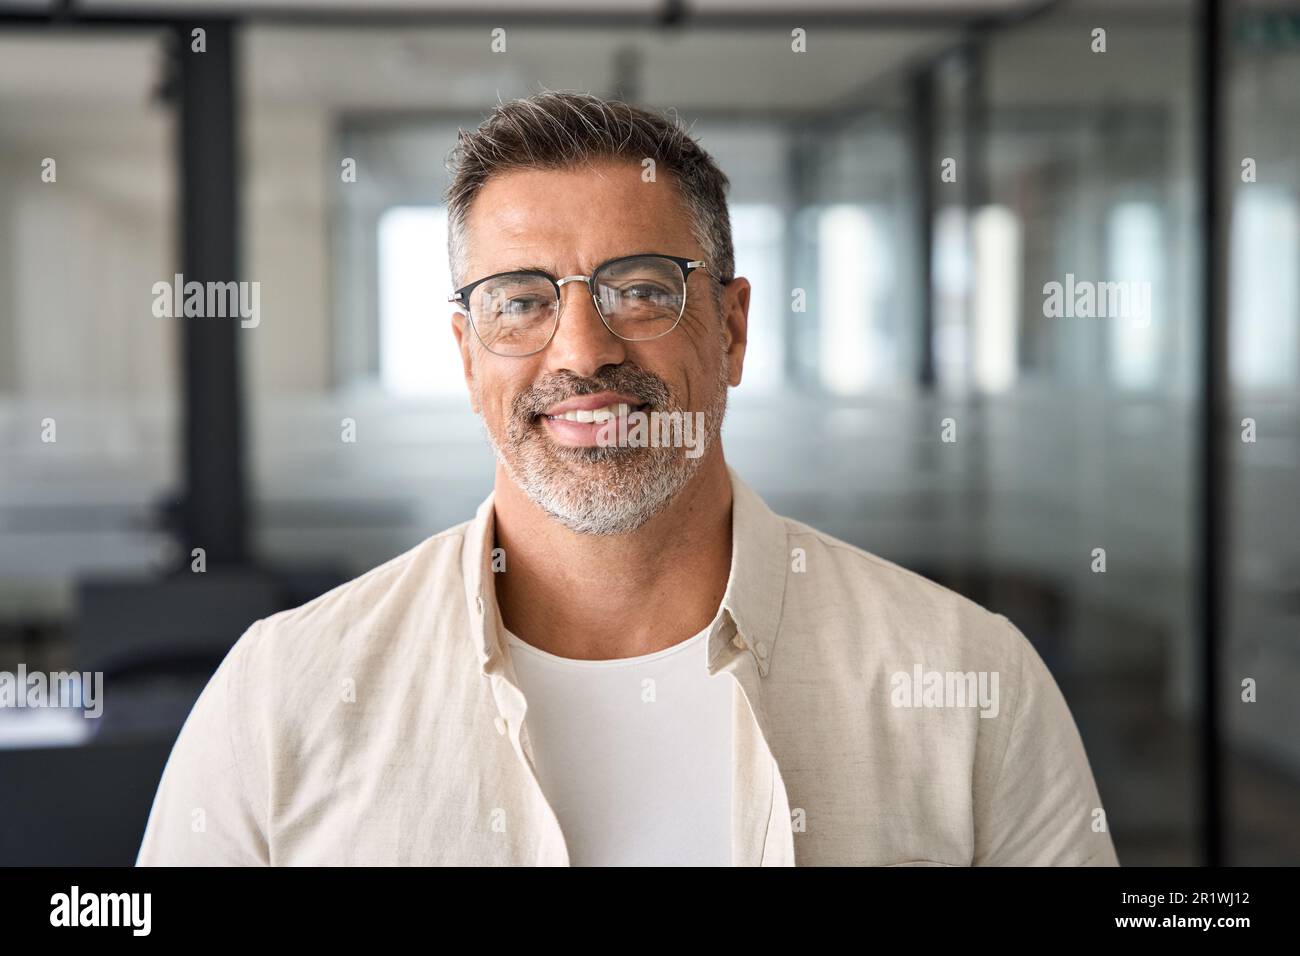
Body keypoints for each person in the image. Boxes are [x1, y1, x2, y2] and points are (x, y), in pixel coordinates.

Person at [137, 90, 1118, 867]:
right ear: (467, 353)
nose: (583, 349)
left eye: (642, 288)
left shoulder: (969, 680)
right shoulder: (285, 692)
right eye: (519, 301)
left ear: (730, 329)